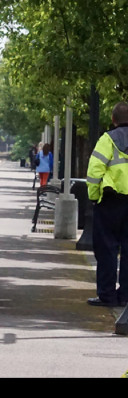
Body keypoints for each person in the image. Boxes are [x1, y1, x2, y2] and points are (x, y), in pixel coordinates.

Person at [86, 102, 128, 307]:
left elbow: (95, 172)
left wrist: (94, 197)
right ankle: (126, 296)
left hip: (111, 202)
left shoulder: (107, 139)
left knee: (107, 249)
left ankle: (107, 296)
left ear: (113, 119)